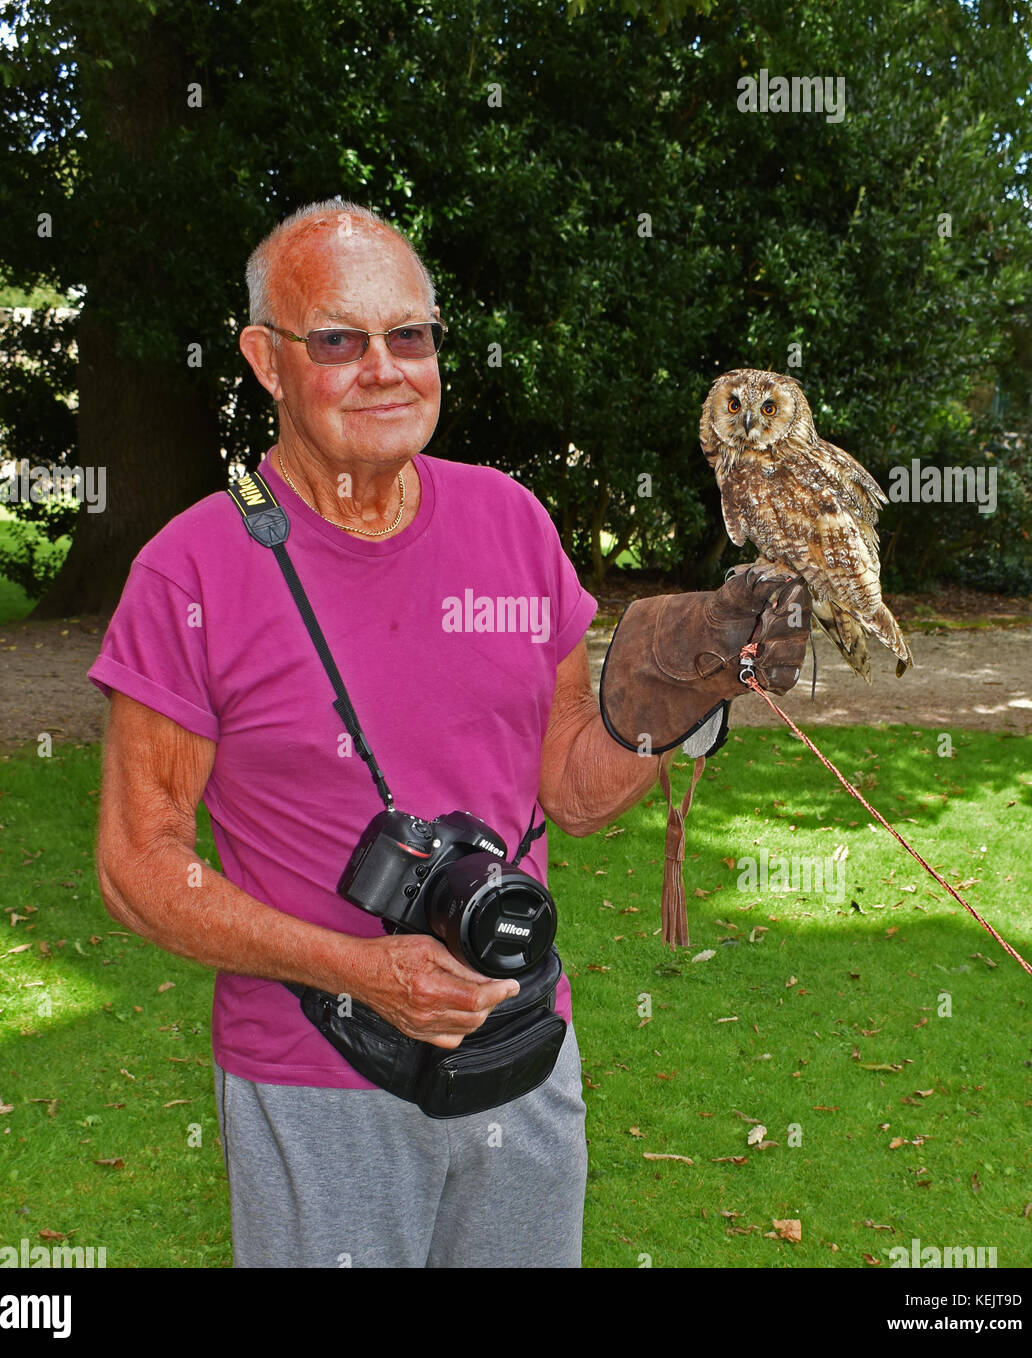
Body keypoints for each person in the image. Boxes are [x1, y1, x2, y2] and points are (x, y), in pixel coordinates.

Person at [90, 199, 810, 1268]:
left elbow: (568, 788)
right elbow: (136, 863)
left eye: (411, 334)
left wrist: (688, 698)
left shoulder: (511, 523)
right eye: (339, 339)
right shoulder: (189, 571)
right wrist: (358, 967)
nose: (385, 367)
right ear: (266, 361)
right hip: (317, 1081)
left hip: (524, 1055)